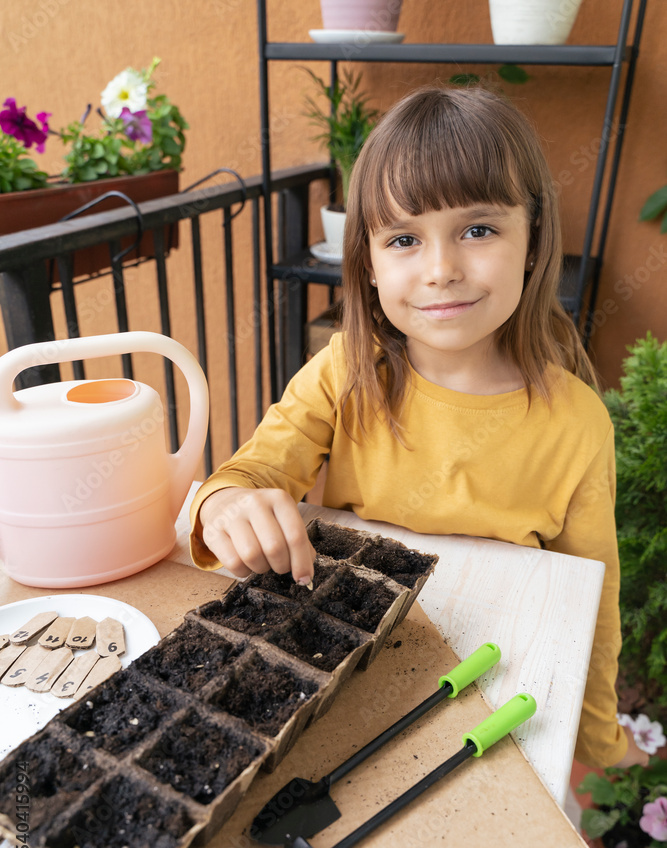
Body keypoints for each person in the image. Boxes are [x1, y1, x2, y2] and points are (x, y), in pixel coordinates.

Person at [190, 85, 645, 770]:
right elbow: (251, 472)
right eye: (403, 239)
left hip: (487, 701)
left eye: (478, 229)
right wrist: (224, 505)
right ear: (368, 265)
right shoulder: (344, 370)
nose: (440, 270)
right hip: (338, 671)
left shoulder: (577, 425)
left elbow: (592, 605)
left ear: (532, 241)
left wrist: (599, 744)